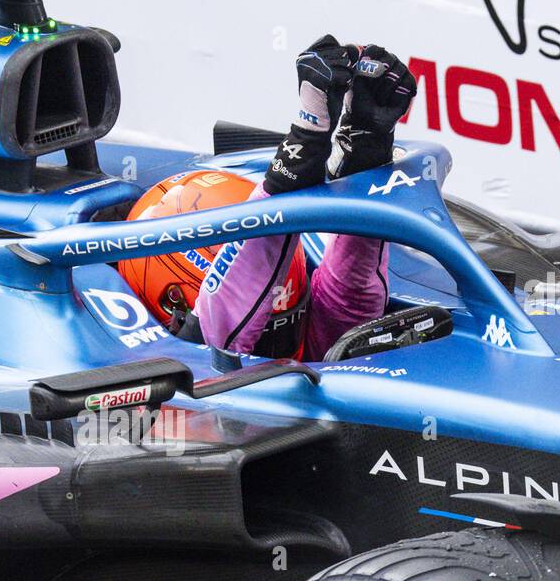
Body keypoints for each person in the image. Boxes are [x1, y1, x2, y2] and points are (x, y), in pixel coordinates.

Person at [118, 38, 417, 361]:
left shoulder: (286, 293)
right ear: (173, 302)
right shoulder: (129, 380)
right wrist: (294, 159)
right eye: (261, 336)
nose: (276, 351)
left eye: (283, 328)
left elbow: (342, 319)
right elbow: (218, 338)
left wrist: (365, 157)